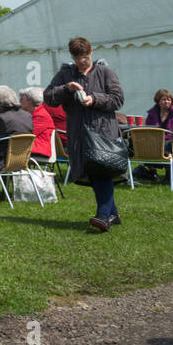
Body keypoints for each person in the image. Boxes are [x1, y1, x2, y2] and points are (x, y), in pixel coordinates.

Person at [44, 37, 125, 232]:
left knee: (102, 169)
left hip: (104, 131)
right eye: (78, 57)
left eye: (86, 57)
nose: (82, 61)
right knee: (92, 172)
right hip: (79, 132)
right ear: (72, 56)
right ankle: (113, 213)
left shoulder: (105, 72)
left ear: (92, 53)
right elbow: (49, 97)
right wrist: (67, 88)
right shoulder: (66, 74)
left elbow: (118, 99)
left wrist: (95, 99)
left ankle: (103, 216)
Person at [133, 89, 173, 182]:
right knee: (142, 145)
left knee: (166, 147)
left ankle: (169, 176)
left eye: (168, 99)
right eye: (163, 99)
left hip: (170, 141)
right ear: (158, 101)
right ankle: (151, 172)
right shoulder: (152, 113)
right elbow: (147, 129)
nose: (166, 102)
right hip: (153, 141)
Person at [21, 87, 55, 160]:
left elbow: (27, 134)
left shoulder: (41, 115)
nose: (20, 102)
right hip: (29, 146)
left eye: (22, 99)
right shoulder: (31, 113)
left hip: (38, 149)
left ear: (30, 101)